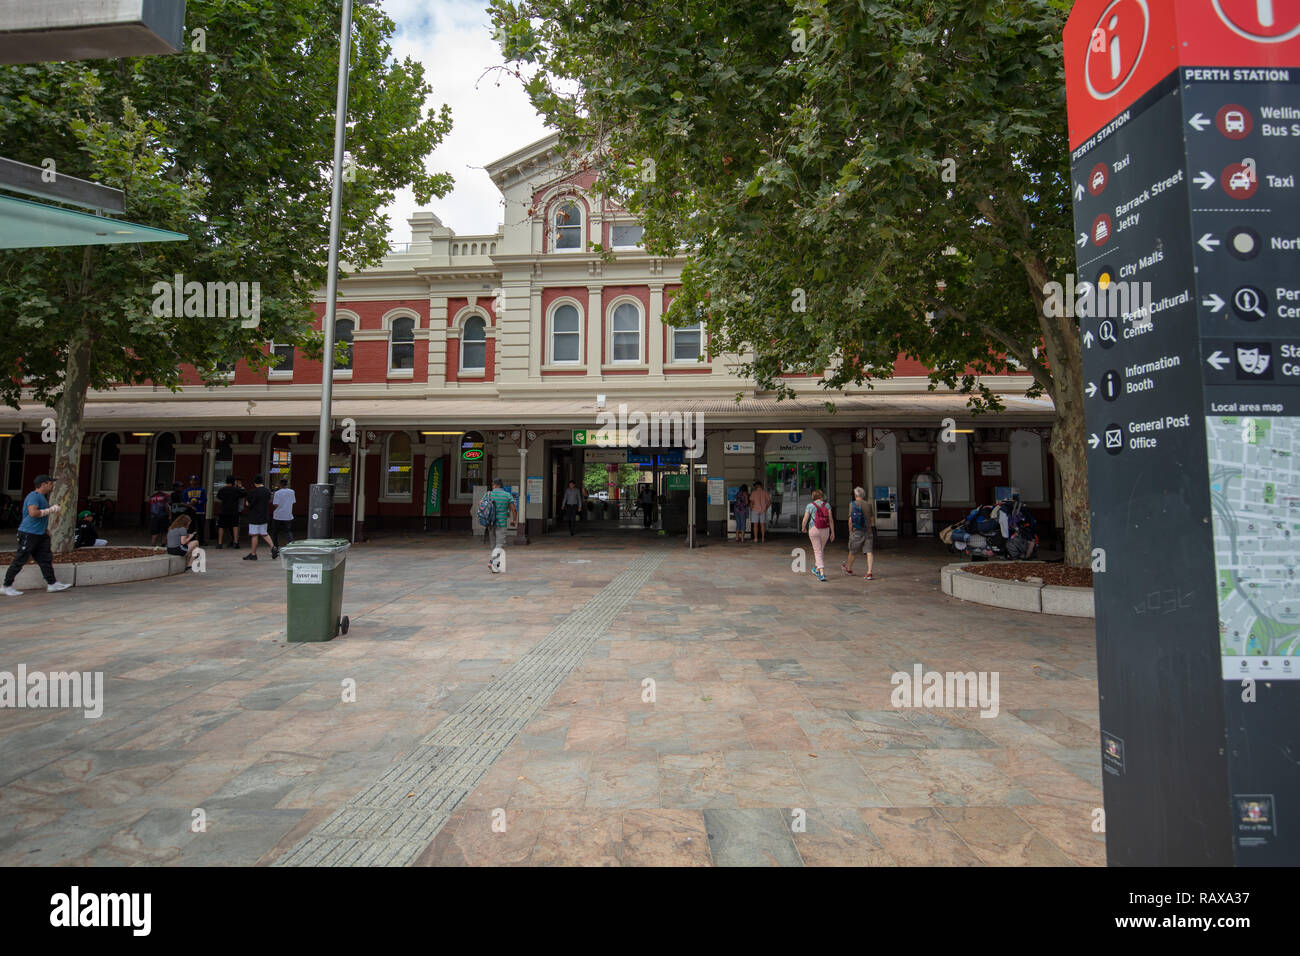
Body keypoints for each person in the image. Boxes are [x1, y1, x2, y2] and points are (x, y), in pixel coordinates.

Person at [2, 474, 72, 596]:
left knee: (45, 559)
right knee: (20, 559)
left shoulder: (42, 497)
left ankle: (52, 584)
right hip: (29, 533)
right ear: (44, 484)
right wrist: (51, 510)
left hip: (40, 534)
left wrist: (45, 529)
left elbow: (38, 517)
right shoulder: (34, 496)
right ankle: (6, 586)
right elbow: (33, 513)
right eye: (51, 483)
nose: (52, 486)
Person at [801, 488, 834, 582]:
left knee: (817, 551)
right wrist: (833, 532)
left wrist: (803, 527)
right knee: (820, 550)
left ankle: (822, 573)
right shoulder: (827, 505)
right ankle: (816, 569)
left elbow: (805, 519)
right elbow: (831, 519)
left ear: (813, 496)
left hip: (814, 529)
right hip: (825, 530)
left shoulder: (810, 506)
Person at [843, 486, 876, 580]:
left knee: (852, 551)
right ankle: (869, 572)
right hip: (868, 531)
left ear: (855, 495)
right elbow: (872, 519)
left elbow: (850, 520)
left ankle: (849, 569)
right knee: (869, 551)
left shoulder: (852, 504)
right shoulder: (869, 504)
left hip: (857, 531)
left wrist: (850, 532)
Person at [486, 477, 517, 573]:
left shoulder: (489, 494)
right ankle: (493, 562)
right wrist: (514, 520)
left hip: (490, 522)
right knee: (500, 543)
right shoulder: (507, 495)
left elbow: (480, 505)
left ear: (495, 485)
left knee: (493, 544)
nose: (492, 486)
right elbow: (513, 509)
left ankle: (495, 565)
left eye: (492, 484)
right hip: (502, 523)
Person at [242, 475, 276, 560]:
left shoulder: (253, 492)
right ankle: (273, 547)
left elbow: (249, 504)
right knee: (264, 533)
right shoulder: (267, 491)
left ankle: (253, 554)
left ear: (255, 483)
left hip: (254, 516)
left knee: (254, 535)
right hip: (264, 515)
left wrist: (248, 504)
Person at [215, 476, 246, 549]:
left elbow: (219, 497)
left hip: (223, 510)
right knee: (235, 526)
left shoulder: (222, 490)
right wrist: (240, 486)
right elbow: (244, 494)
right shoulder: (236, 490)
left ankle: (220, 543)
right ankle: (235, 542)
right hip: (233, 510)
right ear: (233, 482)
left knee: (221, 526)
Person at [271, 479, 296, 549]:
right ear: (287, 484)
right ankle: (291, 546)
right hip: (288, 515)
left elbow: (275, 504)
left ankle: (275, 547)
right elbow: (293, 502)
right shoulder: (292, 492)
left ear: (280, 484)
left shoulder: (277, 493)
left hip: (278, 515)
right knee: (288, 531)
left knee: (275, 532)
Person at [183, 474, 207, 546]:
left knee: (201, 527)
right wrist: (190, 503)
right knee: (191, 527)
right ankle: (192, 540)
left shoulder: (201, 490)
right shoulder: (186, 491)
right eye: (191, 480)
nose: (192, 482)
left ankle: (201, 541)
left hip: (200, 511)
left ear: (197, 481)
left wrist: (198, 502)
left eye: (194, 480)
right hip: (191, 511)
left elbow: (205, 499)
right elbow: (184, 500)